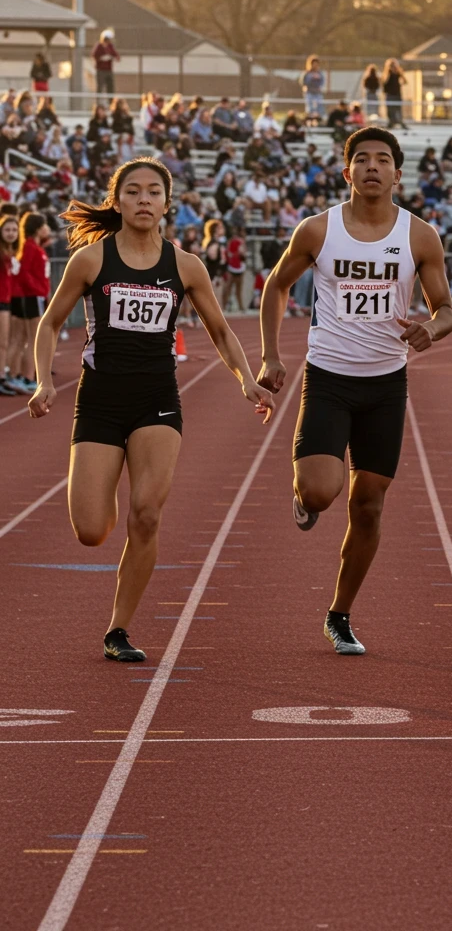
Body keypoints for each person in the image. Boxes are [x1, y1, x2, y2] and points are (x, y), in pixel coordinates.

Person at [26, 158, 273, 662]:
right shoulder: (91, 261)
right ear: (117, 202)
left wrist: (247, 380)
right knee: (91, 529)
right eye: (134, 191)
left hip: (157, 401)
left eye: (153, 192)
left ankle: (118, 629)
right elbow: (49, 323)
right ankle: (107, 485)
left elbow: (221, 330)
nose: (144, 199)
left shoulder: (185, 266)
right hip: (99, 400)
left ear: (166, 203)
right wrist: (43, 381)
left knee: (146, 515)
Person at [257, 127, 452, 655]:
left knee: (368, 505)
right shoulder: (318, 230)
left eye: (382, 159)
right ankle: (304, 496)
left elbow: (446, 310)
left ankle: (339, 614)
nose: (372, 167)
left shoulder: (420, 236)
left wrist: (431, 330)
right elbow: (276, 285)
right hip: (329, 378)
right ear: (347, 172)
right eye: (362, 159)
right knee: (322, 491)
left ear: (397, 173)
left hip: (386, 385)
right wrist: (271, 355)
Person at [7, 212, 52, 394]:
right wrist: (39, 289)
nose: (47, 228)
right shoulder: (30, 247)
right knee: (32, 339)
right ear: (38, 228)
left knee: (23, 339)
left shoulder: (34, 246)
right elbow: (24, 273)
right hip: (31, 297)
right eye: (44, 225)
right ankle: (25, 376)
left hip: (31, 296)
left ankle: (16, 375)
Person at [0, 213, 16, 394]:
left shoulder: (11, 251)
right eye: (7, 230)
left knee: (4, 341)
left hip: (7, 300)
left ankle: (2, 376)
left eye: (14, 230)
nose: (11, 233)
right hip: (1, 301)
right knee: (3, 341)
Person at [92, 29, 120, 96]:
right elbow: (94, 56)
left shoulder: (110, 46)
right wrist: (102, 58)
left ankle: (111, 100)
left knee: (110, 87)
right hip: (100, 70)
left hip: (109, 70)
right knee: (100, 86)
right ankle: (98, 100)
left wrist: (111, 57)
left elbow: (116, 56)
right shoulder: (99, 46)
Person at [381, 59, 408, 130]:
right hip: (390, 94)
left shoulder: (398, 73)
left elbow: (405, 81)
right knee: (390, 110)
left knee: (398, 109)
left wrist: (398, 85)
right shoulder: (387, 73)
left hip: (397, 94)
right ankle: (391, 123)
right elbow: (384, 83)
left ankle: (400, 122)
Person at [301, 55, 325, 121]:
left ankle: (319, 120)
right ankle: (309, 120)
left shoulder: (320, 73)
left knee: (319, 106)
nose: (315, 65)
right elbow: (303, 82)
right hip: (309, 92)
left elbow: (322, 82)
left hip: (317, 92)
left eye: (316, 64)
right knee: (310, 107)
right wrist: (312, 78)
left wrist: (319, 84)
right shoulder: (307, 73)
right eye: (314, 64)